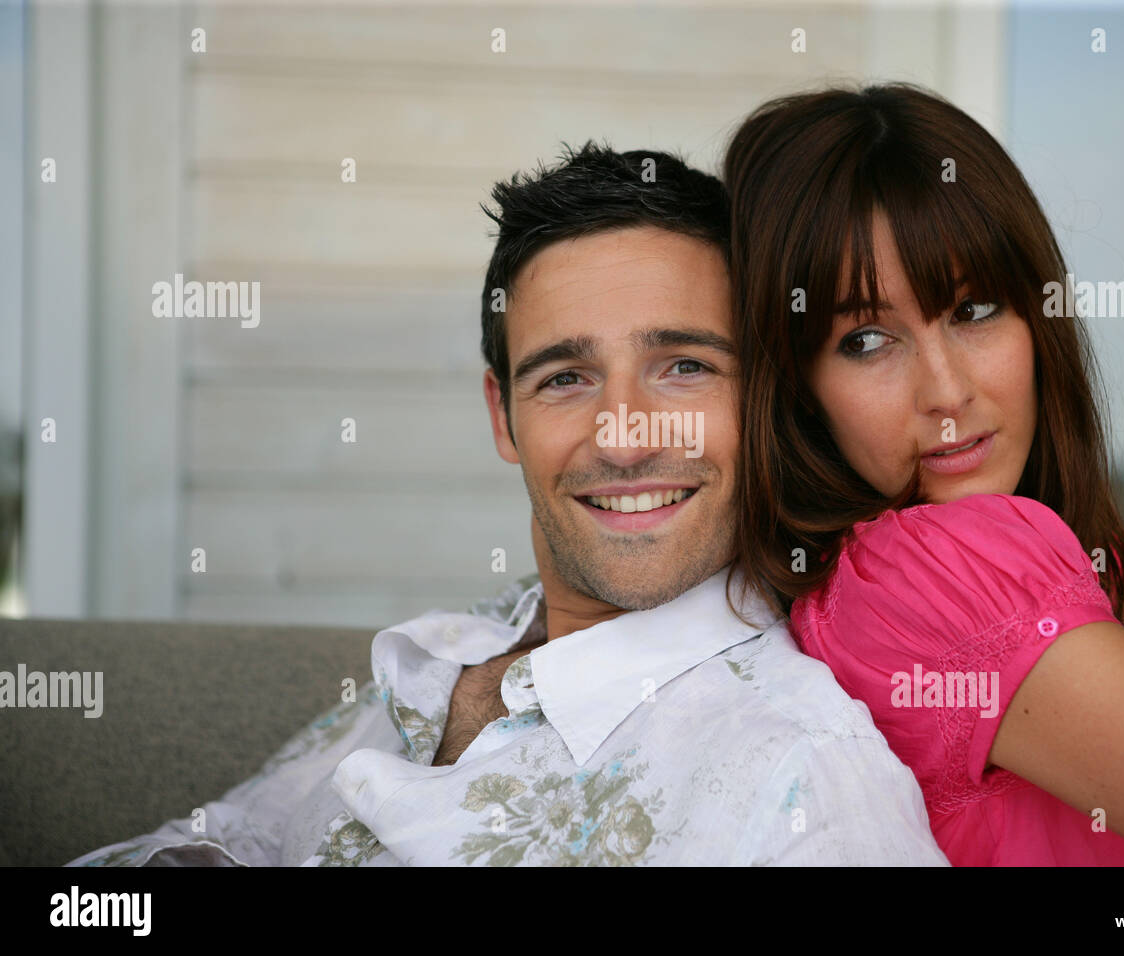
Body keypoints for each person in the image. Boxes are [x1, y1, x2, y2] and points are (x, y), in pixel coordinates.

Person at [68, 142, 948, 867]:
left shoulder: (808, 778)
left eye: (684, 366)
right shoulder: (448, 652)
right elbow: (204, 845)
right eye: (565, 377)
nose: (625, 436)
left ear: (761, 400)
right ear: (503, 415)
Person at [724, 84, 1124, 866]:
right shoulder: (931, 575)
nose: (948, 392)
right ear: (795, 386)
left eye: (974, 309)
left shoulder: (931, 577)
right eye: (864, 341)